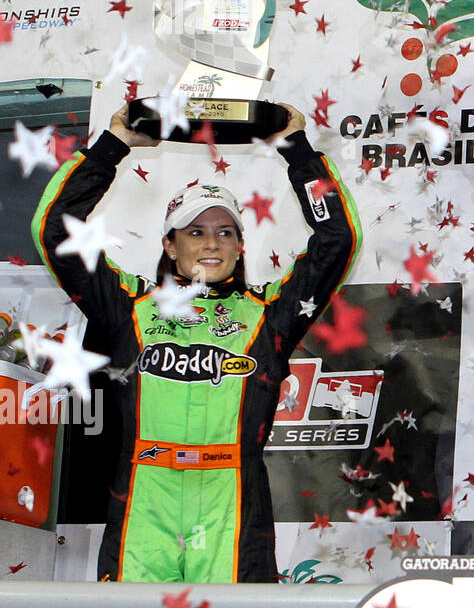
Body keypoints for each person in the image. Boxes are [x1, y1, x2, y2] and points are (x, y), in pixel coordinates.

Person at [32, 103, 361, 582]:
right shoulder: (131, 307)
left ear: (239, 246)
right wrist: (112, 148)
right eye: (196, 231)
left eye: (225, 232)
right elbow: (53, 227)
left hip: (231, 499)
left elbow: (339, 237)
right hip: (146, 497)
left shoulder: (268, 313)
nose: (211, 243)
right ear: (170, 244)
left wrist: (296, 149)